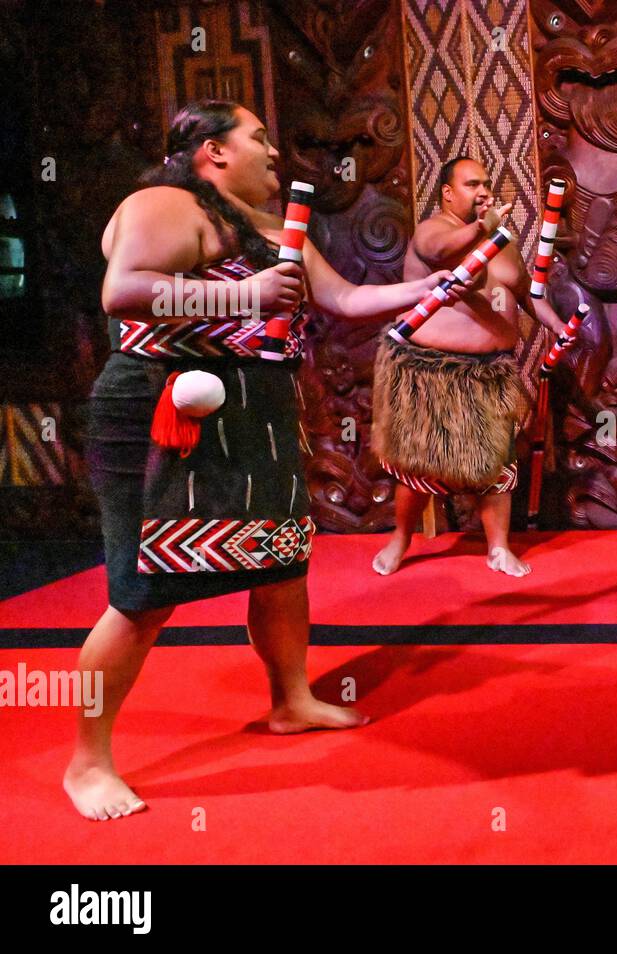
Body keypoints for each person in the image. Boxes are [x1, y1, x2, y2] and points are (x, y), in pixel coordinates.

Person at [68, 99, 464, 821]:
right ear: (213, 153)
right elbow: (122, 289)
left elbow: (343, 297)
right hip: (163, 409)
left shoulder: (269, 228)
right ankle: (87, 763)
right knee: (142, 594)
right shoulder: (163, 203)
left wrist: (434, 288)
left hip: (258, 414)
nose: (275, 153)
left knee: (281, 564)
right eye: (259, 139)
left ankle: (291, 699)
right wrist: (247, 294)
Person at [370, 157, 570, 578]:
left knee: (497, 465)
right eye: (471, 184)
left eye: (486, 183)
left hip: (490, 371)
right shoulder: (434, 230)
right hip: (432, 371)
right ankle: (401, 539)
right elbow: (439, 251)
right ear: (447, 192)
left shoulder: (500, 238)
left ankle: (498, 548)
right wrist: (483, 228)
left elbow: (527, 292)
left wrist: (554, 324)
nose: (482, 190)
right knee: (418, 463)